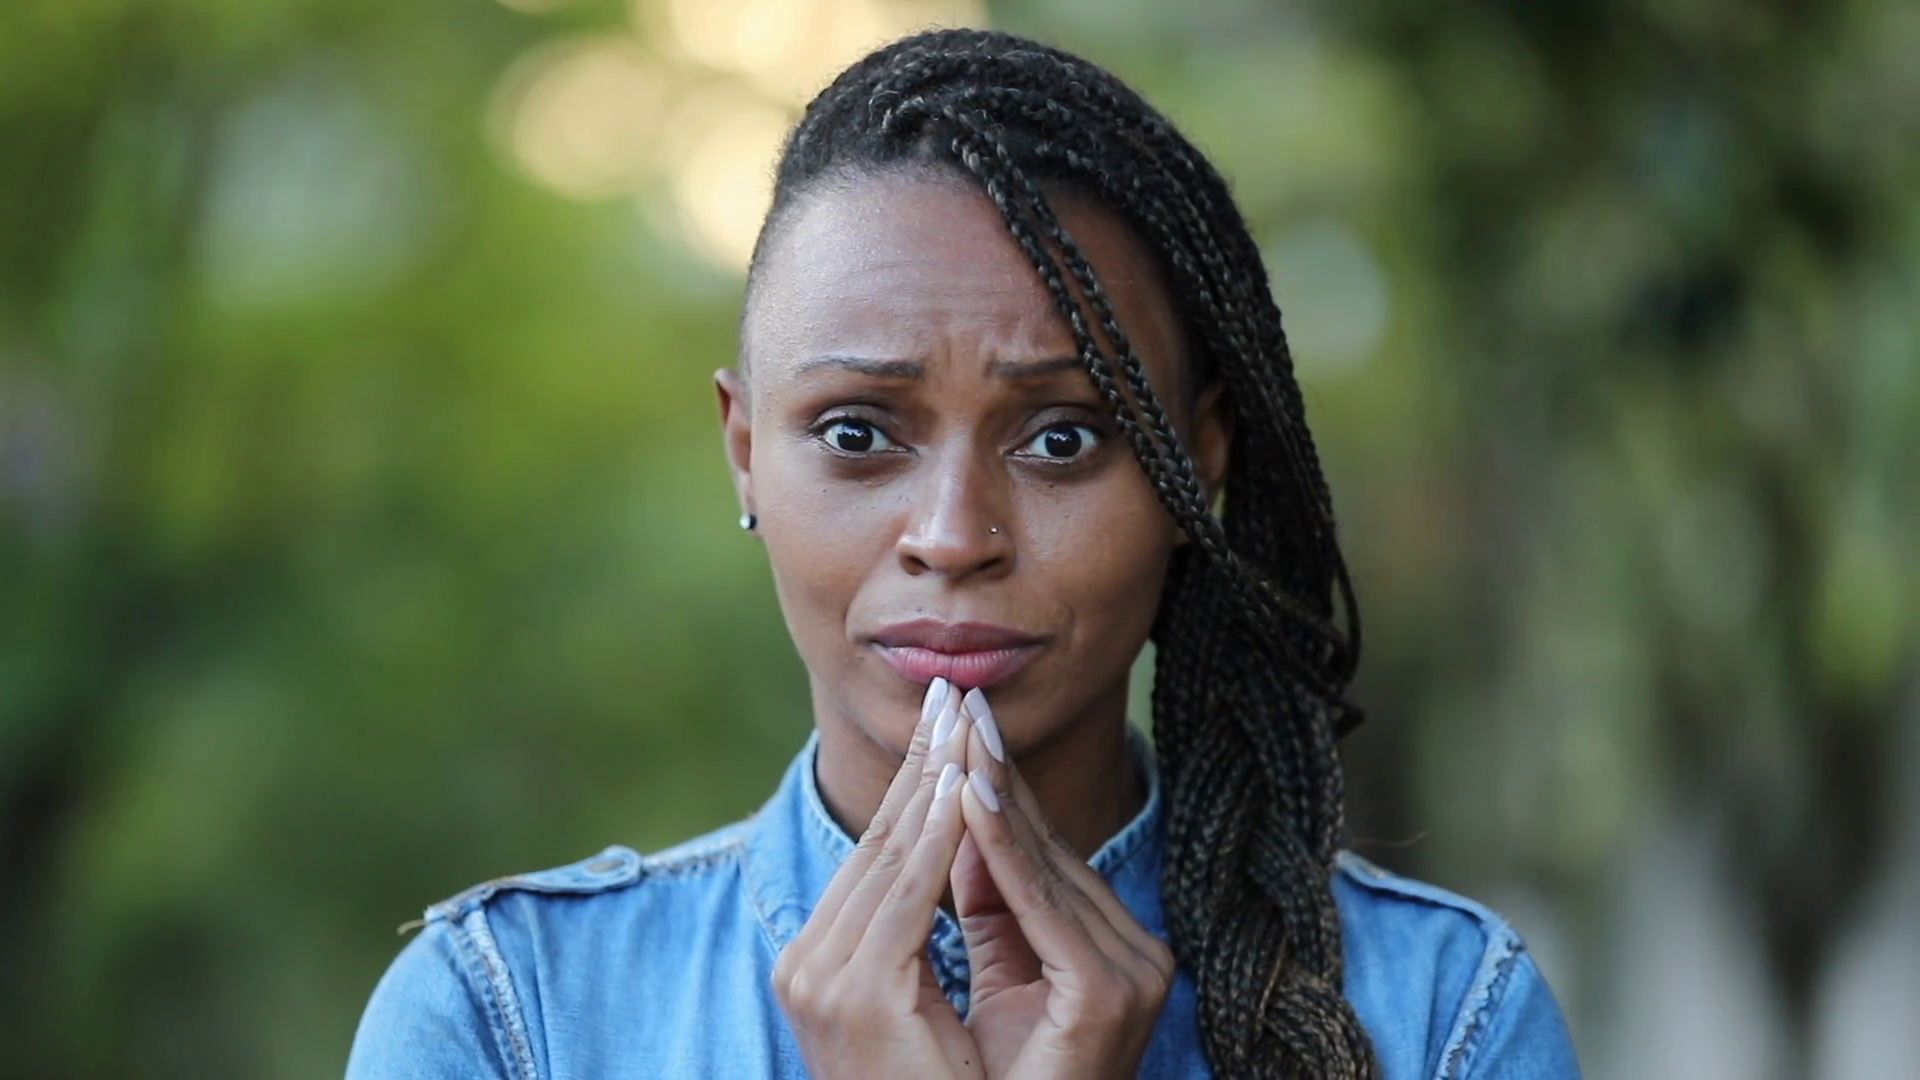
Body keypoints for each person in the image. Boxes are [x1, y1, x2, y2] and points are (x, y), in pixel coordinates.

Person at [345, 28, 1580, 1080]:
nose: (951, 536)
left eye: (1062, 437)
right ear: (745, 453)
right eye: (857, 433)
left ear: (1197, 463)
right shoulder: (515, 1017)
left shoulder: (1440, 1019)